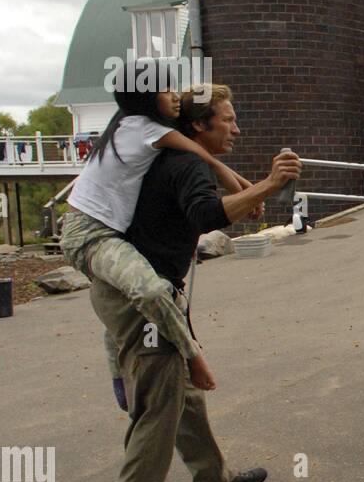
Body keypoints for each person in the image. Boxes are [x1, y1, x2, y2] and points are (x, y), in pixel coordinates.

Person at [91, 83, 302, 482]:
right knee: (158, 405)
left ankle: (213, 481)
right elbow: (207, 215)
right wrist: (269, 184)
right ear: (199, 125)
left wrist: (247, 192)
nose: (236, 128)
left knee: (182, 393)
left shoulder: (179, 161)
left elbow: (203, 211)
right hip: (140, 300)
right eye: (227, 120)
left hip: (140, 292)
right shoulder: (184, 162)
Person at [61, 80, 250, 398]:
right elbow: (207, 160)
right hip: (91, 236)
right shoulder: (146, 129)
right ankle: (191, 358)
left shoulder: (132, 125)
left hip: (106, 230)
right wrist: (256, 188)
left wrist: (246, 189)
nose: (175, 97)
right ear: (145, 99)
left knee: (122, 304)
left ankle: (122, 378)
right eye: (166, 91)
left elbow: (207, 158)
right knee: (150, 290)